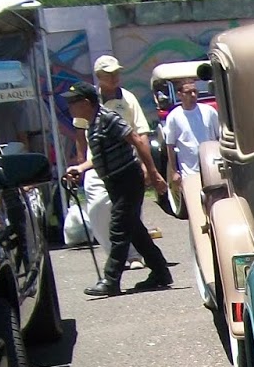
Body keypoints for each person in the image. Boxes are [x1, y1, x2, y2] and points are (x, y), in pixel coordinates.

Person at [63, 82, 173, 297]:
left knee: (119, 229)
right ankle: (161, 272)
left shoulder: (107, 118)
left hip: (127, 179)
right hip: (114, 182)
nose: (70, 107)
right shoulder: (92, 124)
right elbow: (99, 157)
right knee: (135, 231)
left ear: (86, 103)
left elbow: (138, 142)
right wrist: (80, 168)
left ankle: (111, 280)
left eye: (73, 102)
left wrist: (153, 173)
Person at [161, 77, 219, 200]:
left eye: (195, 91)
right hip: (190, 171)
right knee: (195, 204)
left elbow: (219, 137)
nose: (193, 95)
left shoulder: (209, 111)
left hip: (212, 166)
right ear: (180, 95)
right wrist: (174, 171)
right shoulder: (174, 117)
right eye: (188, 92)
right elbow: (170, 145)